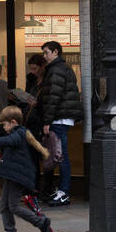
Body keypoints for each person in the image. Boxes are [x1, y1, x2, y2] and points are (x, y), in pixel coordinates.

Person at [0, 106, 53, 232]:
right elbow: (7, 143)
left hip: (19, 176)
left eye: (4, 124)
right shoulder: (18, 134)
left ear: (13, 122)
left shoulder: (19, 134)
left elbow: (8, 141)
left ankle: (41, 222)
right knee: (4, 205)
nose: (3, 127)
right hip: (13, 175)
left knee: (13, 206)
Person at [39, 40, 81, 205]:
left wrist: (47, 120)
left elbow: (53, 98)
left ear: (56, 52)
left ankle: (64, 191)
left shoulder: (56, 70)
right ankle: (62, 190)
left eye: (46, 52)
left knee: (61, 155)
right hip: (62, 117)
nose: (44, 56)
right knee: (60, 154)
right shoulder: (62, 68)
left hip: (59, 118)